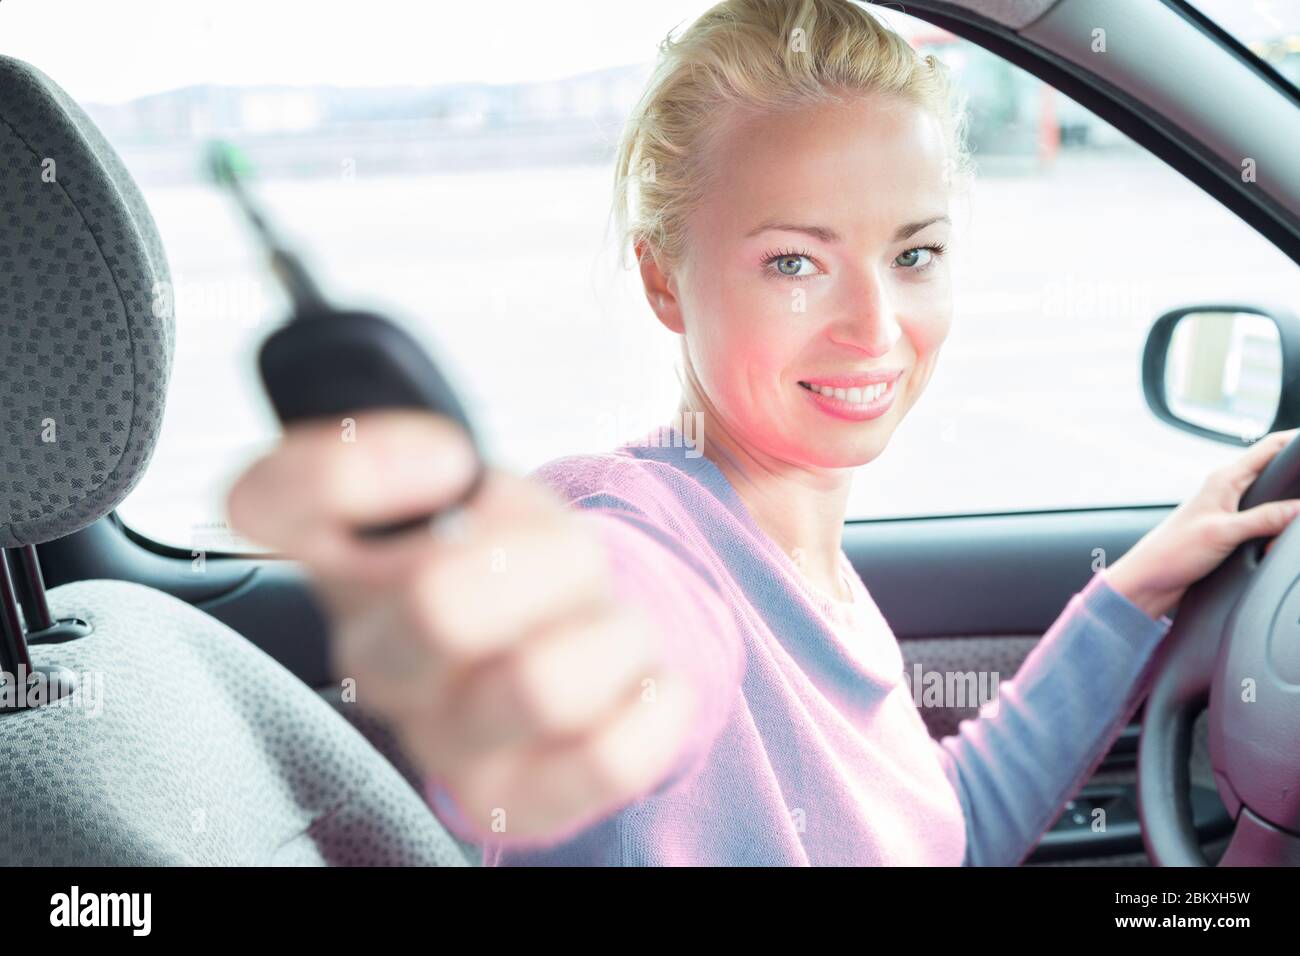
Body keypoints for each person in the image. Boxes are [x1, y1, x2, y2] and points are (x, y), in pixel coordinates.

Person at [226, 0, 1300, 865]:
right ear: (662, 278)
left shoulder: (800, 546)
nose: (875, 326)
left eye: (913, 253)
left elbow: (940, 829)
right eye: (795, 260)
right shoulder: (632, 533)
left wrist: (1139, 584)